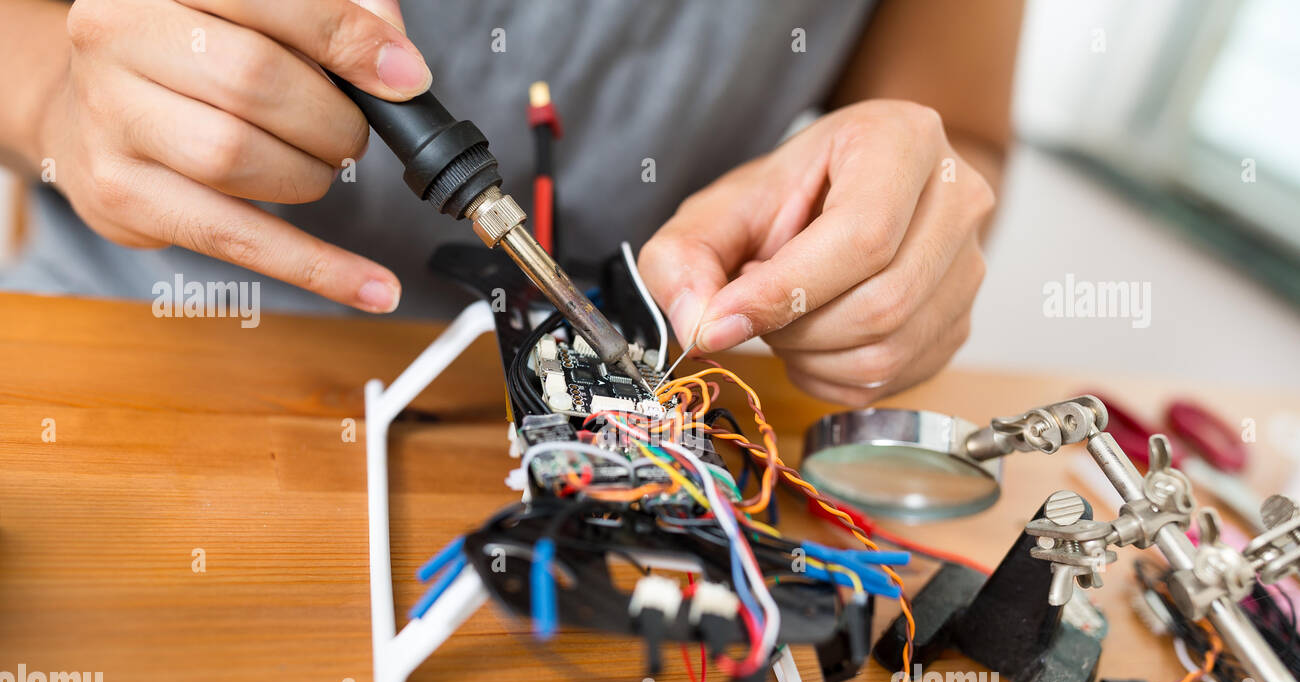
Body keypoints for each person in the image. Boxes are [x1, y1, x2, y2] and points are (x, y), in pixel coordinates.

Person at [0, 0, 1020, 405]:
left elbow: (957, 129)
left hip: (578, 402)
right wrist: (51, 90)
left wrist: (905, 222)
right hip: (129, 354)